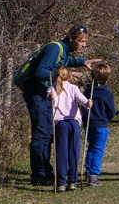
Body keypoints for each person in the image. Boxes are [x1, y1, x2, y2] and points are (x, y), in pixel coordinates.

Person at [15, 24, 92, 187]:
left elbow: (65, 61)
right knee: (42, 134)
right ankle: (39, 175)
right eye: (81, 41)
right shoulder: (54, 49)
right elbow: (41, 71)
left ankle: (46, 172)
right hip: (37, 94)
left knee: (49, 134)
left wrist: (82, 62)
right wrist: (66, 75)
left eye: (85, 41)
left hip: (45, 95)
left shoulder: (63, 50)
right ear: (71, 39)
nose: (84, 45)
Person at [50, 66, 87, 192]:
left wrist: (51, 98)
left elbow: (50, 98)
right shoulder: (73, 88)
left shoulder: (52, 88)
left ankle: (61, 182)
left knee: (61, 152)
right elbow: (82, 100)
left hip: (60, 123)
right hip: (73, 123)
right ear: (69, 76)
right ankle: (72, 180)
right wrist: (88, 103)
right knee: (74, 151)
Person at [84, 62, 116, 186]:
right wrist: (106, 119)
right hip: (101, 125)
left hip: (89, 124)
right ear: (107, 77)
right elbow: (111, 111)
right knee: (98, 150)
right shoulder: (106, 93)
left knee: (91, 147)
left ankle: (88, 169)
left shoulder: (88, 91)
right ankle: (93, 175)